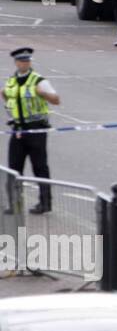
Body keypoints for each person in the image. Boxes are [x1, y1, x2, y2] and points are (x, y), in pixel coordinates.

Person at [4, 48, 60, 214]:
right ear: (16, 62)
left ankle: (45, 203)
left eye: (27, 61)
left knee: (40, 167)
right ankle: (14, 204)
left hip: (36, 129)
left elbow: (56, 100)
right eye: (22, 61)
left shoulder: (38, 80)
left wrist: (42, 94)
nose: (25, 63)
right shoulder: (12, 80)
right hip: (18, 129)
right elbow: (6, 94)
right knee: (14, 168)